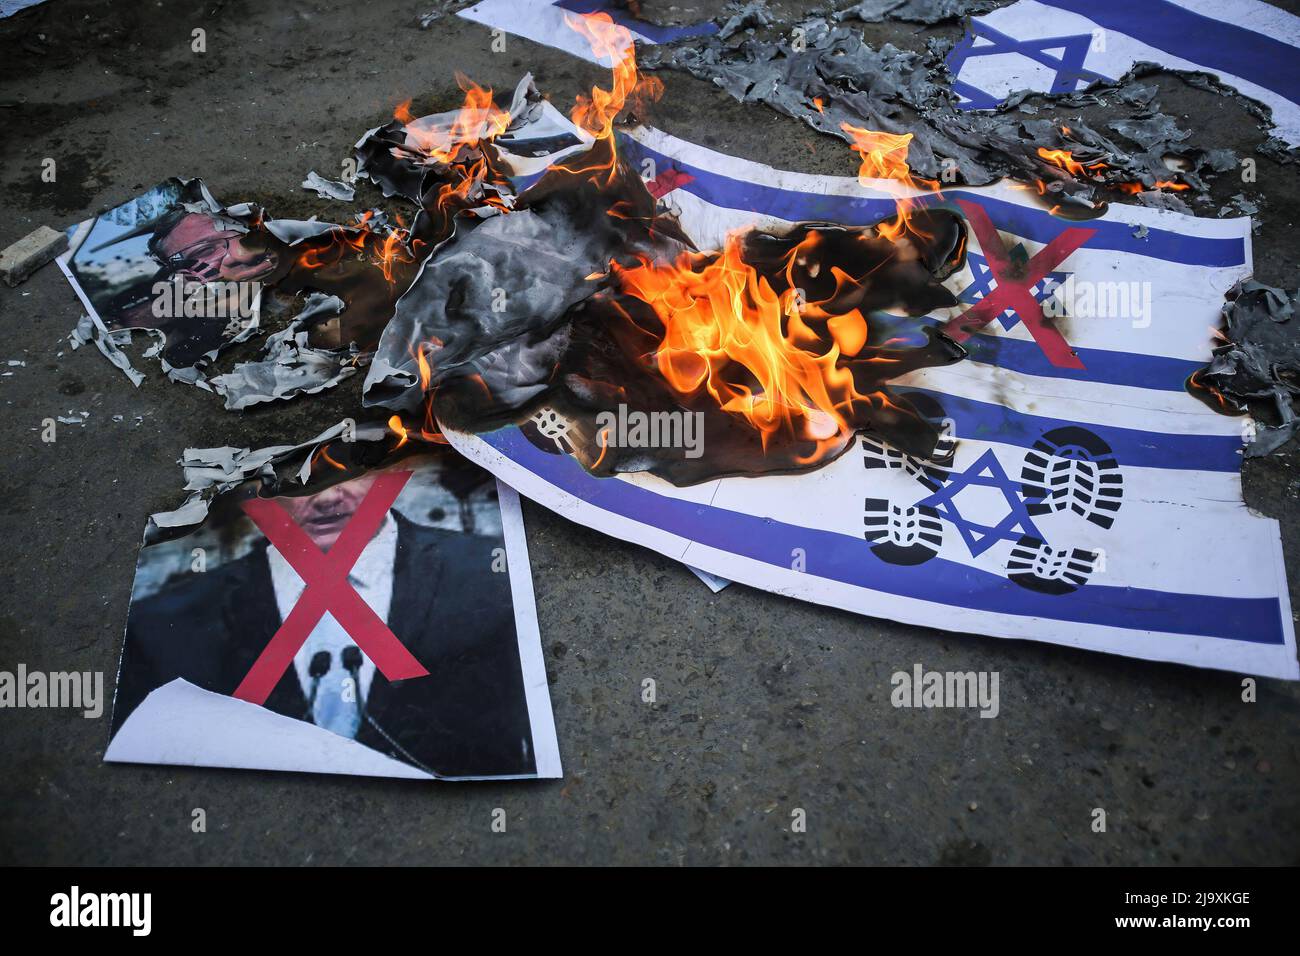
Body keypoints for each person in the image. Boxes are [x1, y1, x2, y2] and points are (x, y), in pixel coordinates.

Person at [112, 469, 537, 779]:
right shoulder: (164, 626)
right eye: (299, 481)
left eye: (351, 472)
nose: (329, 498)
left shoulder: (492, 576)